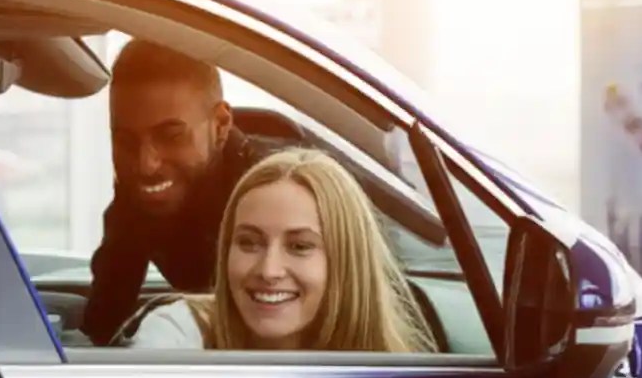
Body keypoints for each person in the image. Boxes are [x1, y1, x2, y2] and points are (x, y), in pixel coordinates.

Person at [80, 39, 287, 346]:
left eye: (171, 136)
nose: (146, 164)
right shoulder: (142, 191)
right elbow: (105, 315)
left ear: (221, 125)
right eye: (125, 140)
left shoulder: (280, 194)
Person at [128, 147, 437, 353]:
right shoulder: (177, 334)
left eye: (299, 246)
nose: (268, 270)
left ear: (346, 263)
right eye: (249, 243)